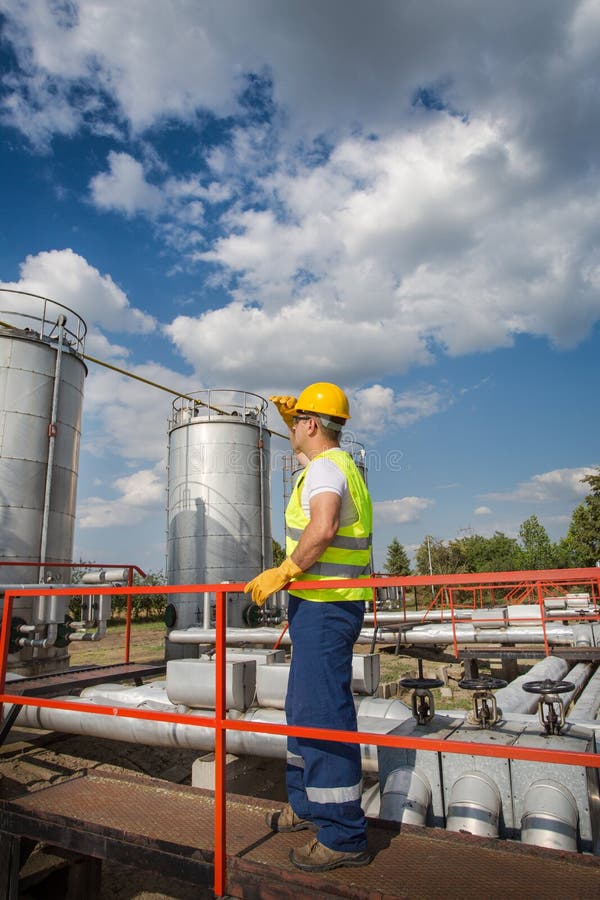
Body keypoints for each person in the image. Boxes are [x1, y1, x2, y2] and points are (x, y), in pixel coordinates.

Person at [244, 382, 373, 873]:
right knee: (302, 707)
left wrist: (283, 571)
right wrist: (292, 425)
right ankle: (306, 804)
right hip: (318, 607)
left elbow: (322, 526)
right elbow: (312, 462)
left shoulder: (325, 468)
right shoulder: (331, 465)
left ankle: (342, 835)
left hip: (325, 606)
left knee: (323, 715)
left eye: (298, 420)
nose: (292, 426)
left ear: (313, 425)